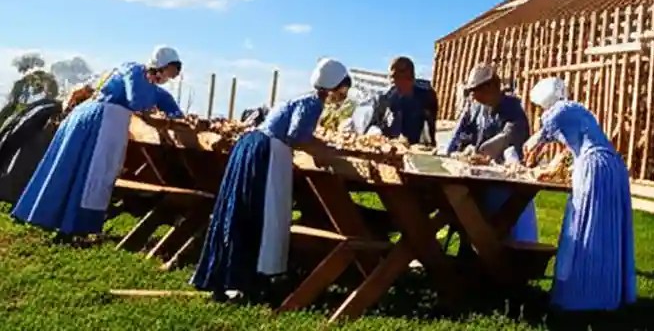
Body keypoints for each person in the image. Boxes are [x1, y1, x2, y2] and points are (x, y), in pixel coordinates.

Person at [191, 57, 352, 302]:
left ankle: (227, 277)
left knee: (240, 212)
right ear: (332, 86)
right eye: (341, 90)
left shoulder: (300, 98)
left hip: (253, 146)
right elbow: (296, 135)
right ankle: (255, 278)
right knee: (266, 214)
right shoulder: (313, 103)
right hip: (269, 152)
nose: (341, 96)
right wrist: (325, 149)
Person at [11, 46, 183, 237]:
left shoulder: (155, 90)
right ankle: (56, 221)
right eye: (167, 73)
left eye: (170, 77)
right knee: (84, 171)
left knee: (100, 175)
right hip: (95, 120)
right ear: (158, 65)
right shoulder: (133, 70)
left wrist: (177, 117)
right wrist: (153, 110)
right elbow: (136, 100)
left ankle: (77, 226)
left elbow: (173, 110)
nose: (166, 80)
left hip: (111, 126)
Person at [524, 77, 636, 312]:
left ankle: (580, 294)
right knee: (607, 227)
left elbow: (539, 136)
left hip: (594, 168)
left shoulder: (560, 110)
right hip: (613, 166)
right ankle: (606, 291)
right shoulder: (578, 110)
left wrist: (534, 144)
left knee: (584, 224)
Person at [444, 64, 538, 243]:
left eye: (476, 90)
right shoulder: (473, 108)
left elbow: (509, 138)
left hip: (502, 182)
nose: (472, 95)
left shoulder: (512, 108)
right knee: (459, 205)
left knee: (497, 214)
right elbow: (457, 138)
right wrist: (457, 152)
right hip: (471, 177)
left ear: (490, 87)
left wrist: (483, 152)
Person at [363, 56, 438, 147]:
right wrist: (376, 135)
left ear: (412, 79)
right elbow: (373, 124)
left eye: (402, 79)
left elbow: (430, 126)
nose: (395, 83)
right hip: (388, 147)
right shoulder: (385, 98)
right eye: (393, 79)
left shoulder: (426, 96)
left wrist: (430, 145)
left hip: (415, 147)